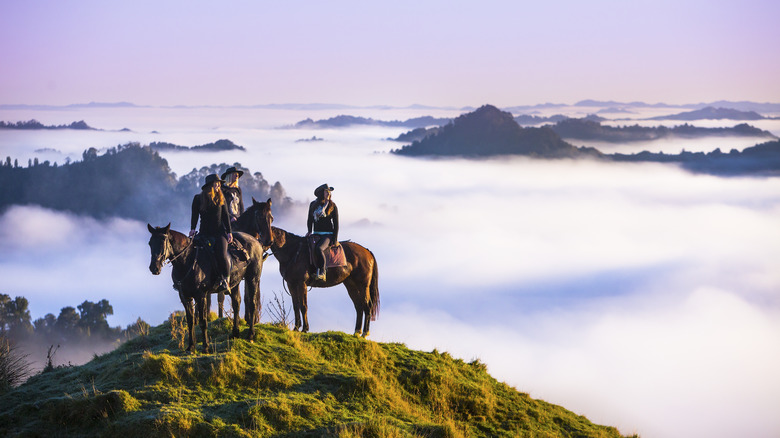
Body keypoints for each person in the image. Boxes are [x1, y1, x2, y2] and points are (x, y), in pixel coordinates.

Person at [190, 173, 233, 291]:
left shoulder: (221, 197)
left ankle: (226, 280)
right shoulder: (198, 199)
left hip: (219, 233)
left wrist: (229, 232)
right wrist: (193, 228)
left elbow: (225, 216)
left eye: (219, 183)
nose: (219, 185)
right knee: (192, 251)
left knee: (222, 254)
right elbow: (194, 215)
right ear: (210, 185)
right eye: (217, 183)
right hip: (204, 232)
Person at [307, 183, 339, 281]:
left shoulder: (332, 206)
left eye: (329, 192)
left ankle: (322, 272)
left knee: (319, 249)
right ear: (321, 193)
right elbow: (310, 219)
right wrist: (309, 231)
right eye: (326, 191)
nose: (328, 193)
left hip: (327, 234)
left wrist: (335, 238)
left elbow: (336, 223)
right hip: (316, 233)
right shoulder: (313, 205)